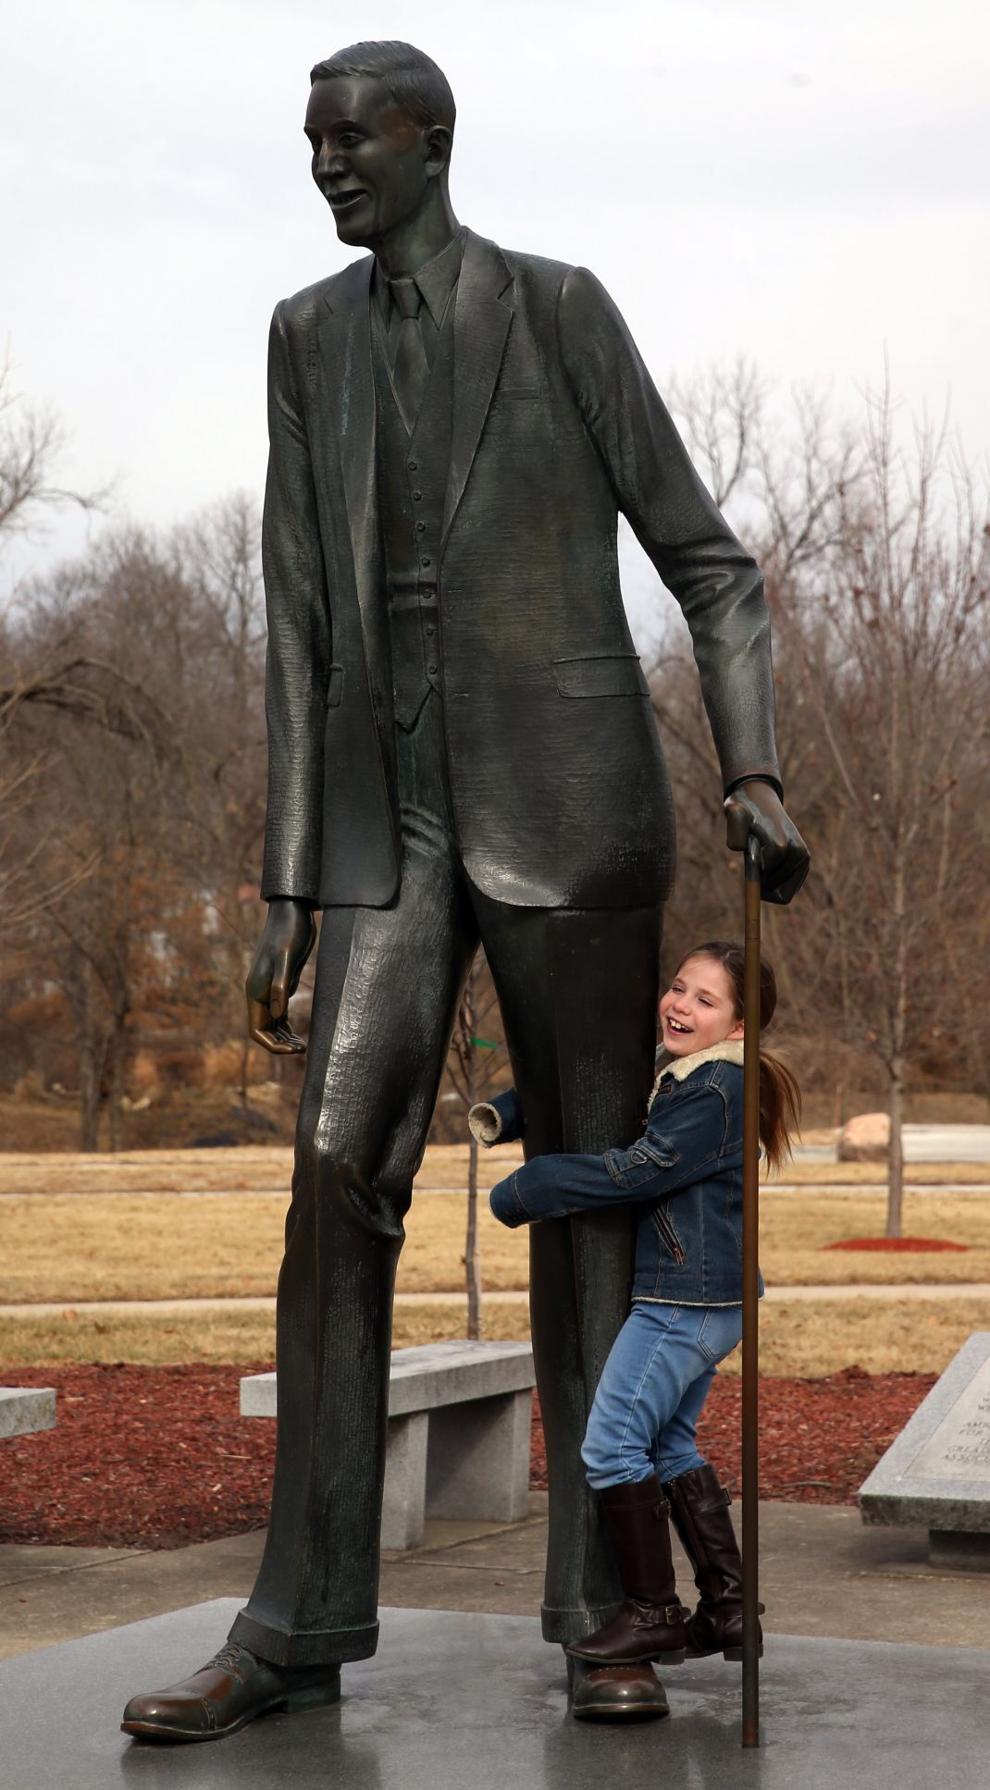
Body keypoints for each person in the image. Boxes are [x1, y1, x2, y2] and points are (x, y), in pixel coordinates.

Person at [121, 39, 809, 1743]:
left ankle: (604, 1612)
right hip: (383, 829)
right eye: (310, 143)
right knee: (334, 1173)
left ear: (433, 144)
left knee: (586, 1203)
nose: (328, 166)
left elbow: (712, 568)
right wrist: (290, 875)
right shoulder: (308, 339)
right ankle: (295, 1620)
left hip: (570, 817)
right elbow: (293, 610)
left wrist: (755, 770)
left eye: (354, 139)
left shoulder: (561, 310)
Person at [479, 940, 799, 1673]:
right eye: (680, 987)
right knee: (669, 1447)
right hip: (708, 1298)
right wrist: (508, 1113)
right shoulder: (688, 1069)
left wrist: (530, 1189)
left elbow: (638, 1170)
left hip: (683, 1302)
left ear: (740, 1027)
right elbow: (613, 1086)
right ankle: (726, 1608)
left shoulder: (717, 1089)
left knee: (611, 1446)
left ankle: (654, 1613)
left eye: (705, 999)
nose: (681, 1005)